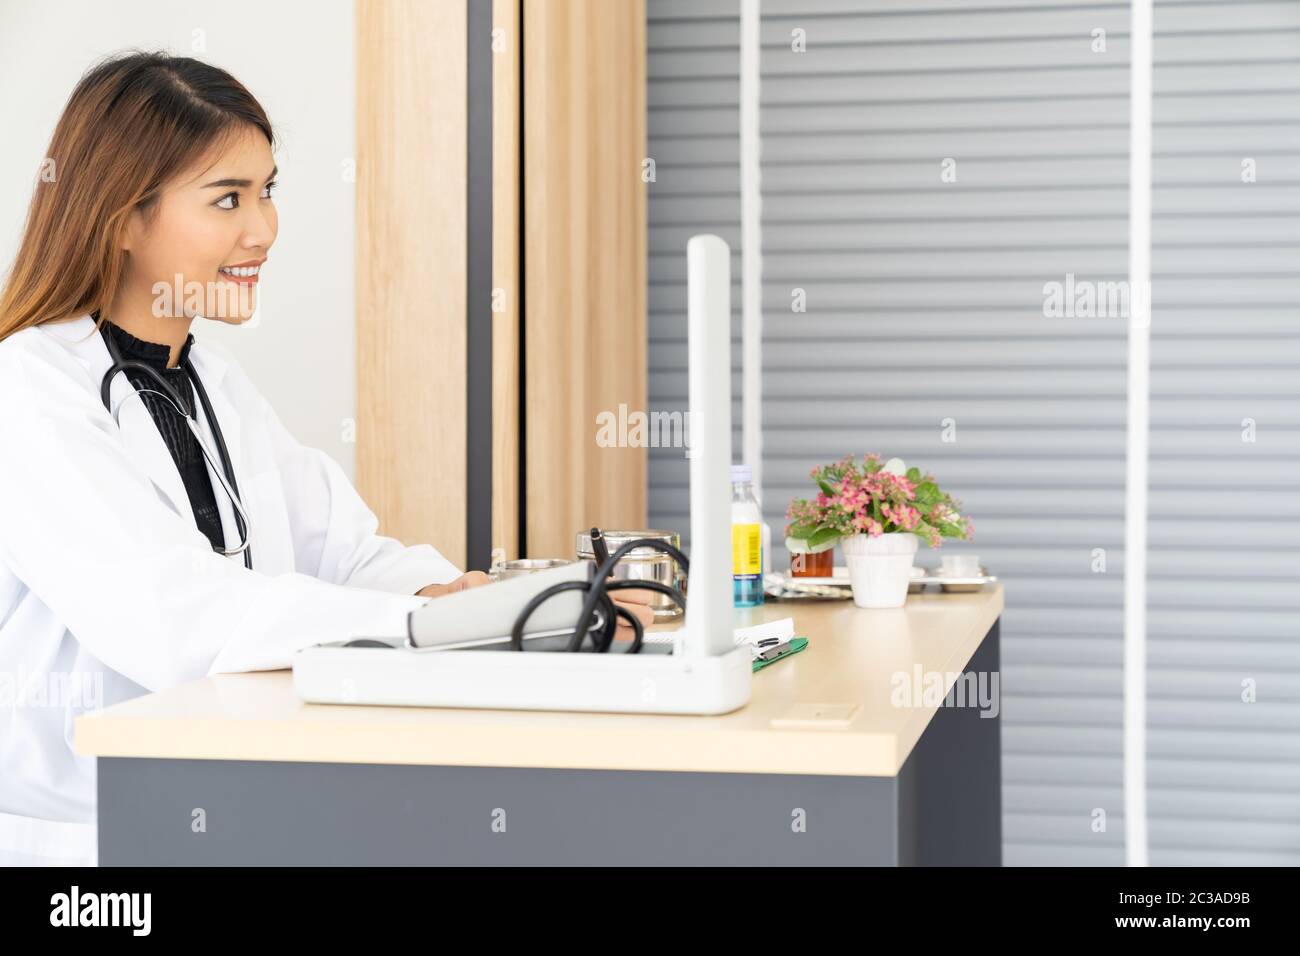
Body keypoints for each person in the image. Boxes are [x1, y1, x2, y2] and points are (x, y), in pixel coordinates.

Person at [0, 52, 652, 866]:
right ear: (124, 217)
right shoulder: (27, 389)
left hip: (216, 801)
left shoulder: (211, 382)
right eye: (227, 199)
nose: (264, 229)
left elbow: (343, 551)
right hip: (87, 839)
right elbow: (172, 619)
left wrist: (458, 596)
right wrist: (420, 627)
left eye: (267, 190)